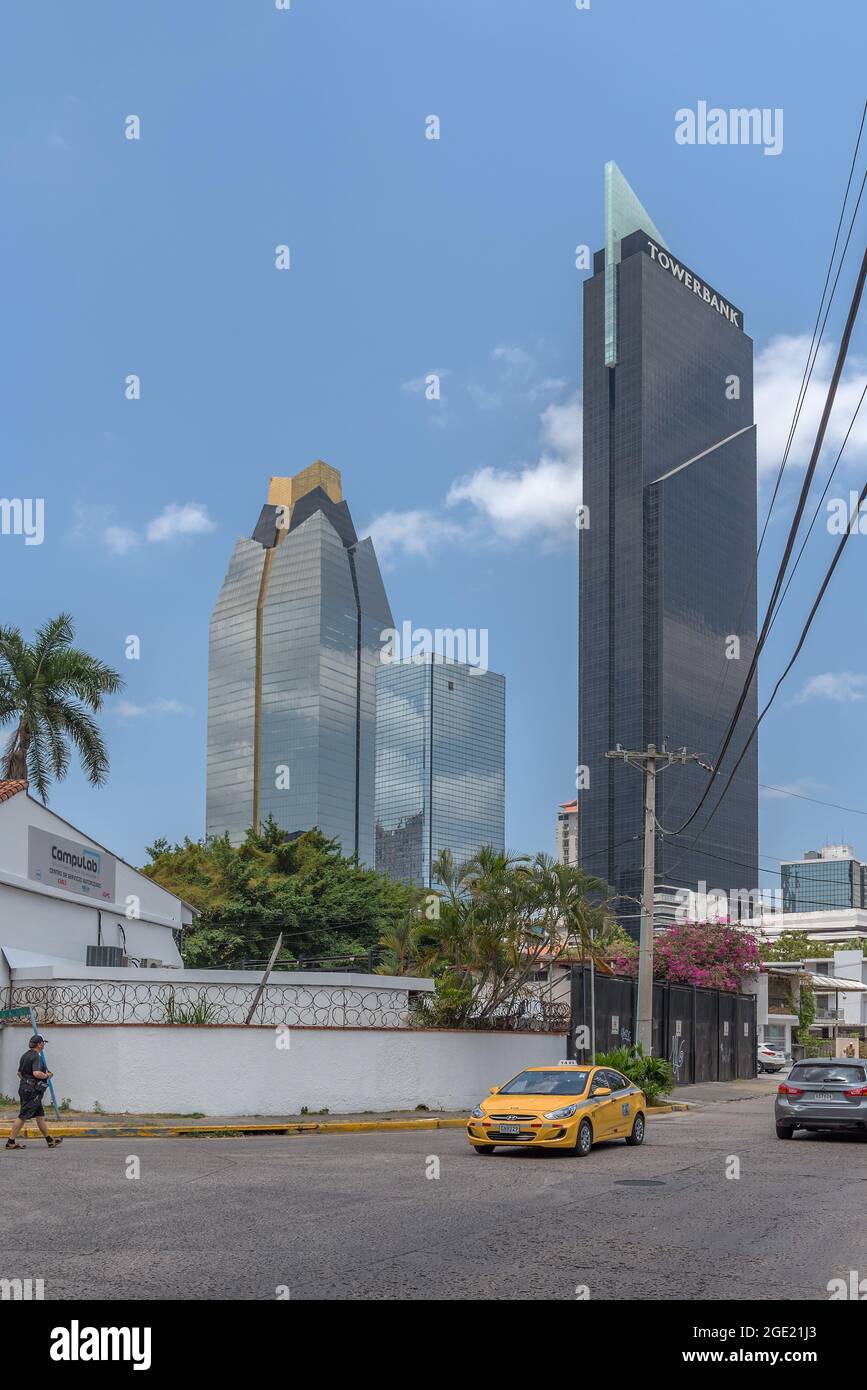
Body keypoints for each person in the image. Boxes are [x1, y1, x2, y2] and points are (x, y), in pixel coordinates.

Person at [5, 1035, 63, 1150]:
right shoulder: (36, 1056)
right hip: (32, 1092)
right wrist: (47, 1075)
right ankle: (10, 1142)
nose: (44, 1044)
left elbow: (19, 1073)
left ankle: (50, 1141)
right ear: (39, 1044)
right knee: (23, 1116)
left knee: (40, 1116)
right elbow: (36, 1073)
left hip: (25, 1088)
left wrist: (27, 1082)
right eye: (43, 1042)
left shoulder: (25, 1055)